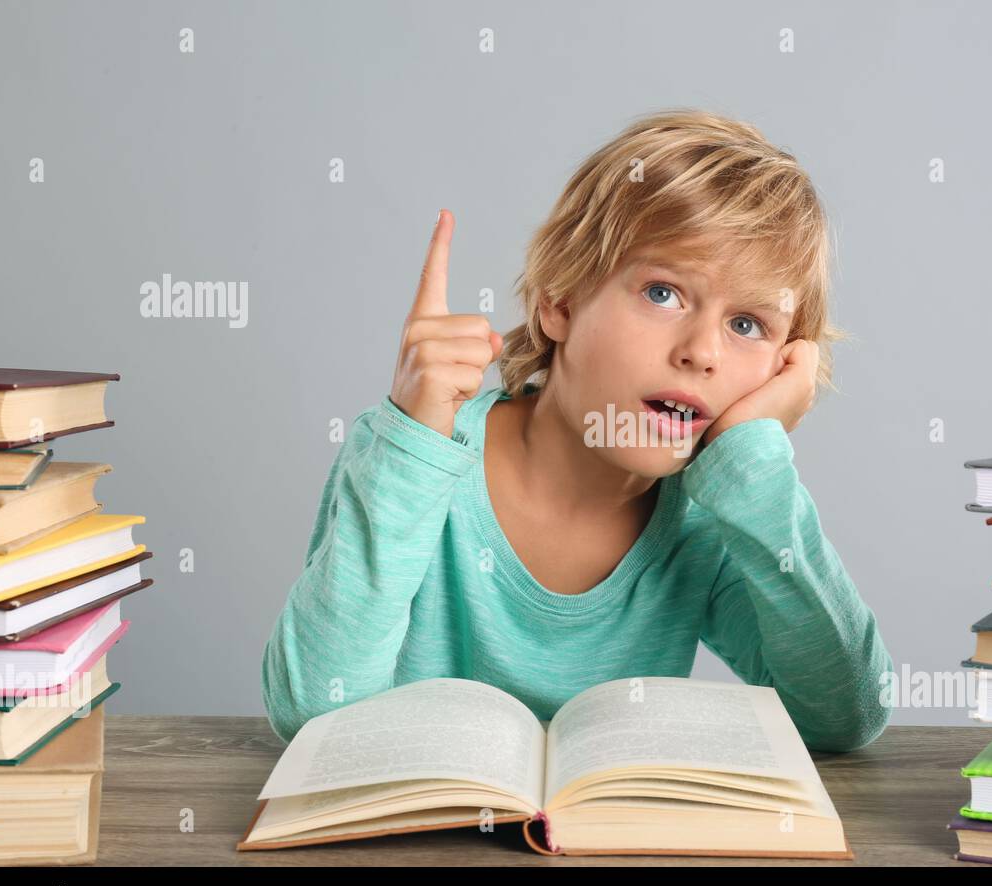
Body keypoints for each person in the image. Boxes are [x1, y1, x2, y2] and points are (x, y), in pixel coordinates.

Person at [261, 108, 894, 752]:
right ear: (559, 301)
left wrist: (756, 466)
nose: (703, 352)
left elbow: (844, 715)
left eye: (747, 325)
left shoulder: (712, 517)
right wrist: (412, 444)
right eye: (661, 293)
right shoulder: (412, 458)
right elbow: (314, 710)